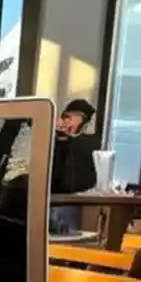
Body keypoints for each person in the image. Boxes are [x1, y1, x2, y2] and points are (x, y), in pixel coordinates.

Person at [50, 99, 100, 233]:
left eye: (72, 118)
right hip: (53, 197)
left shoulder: (90, 142)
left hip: (75, 199)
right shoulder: (56, 140)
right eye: (66, 117)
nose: (68, 122)